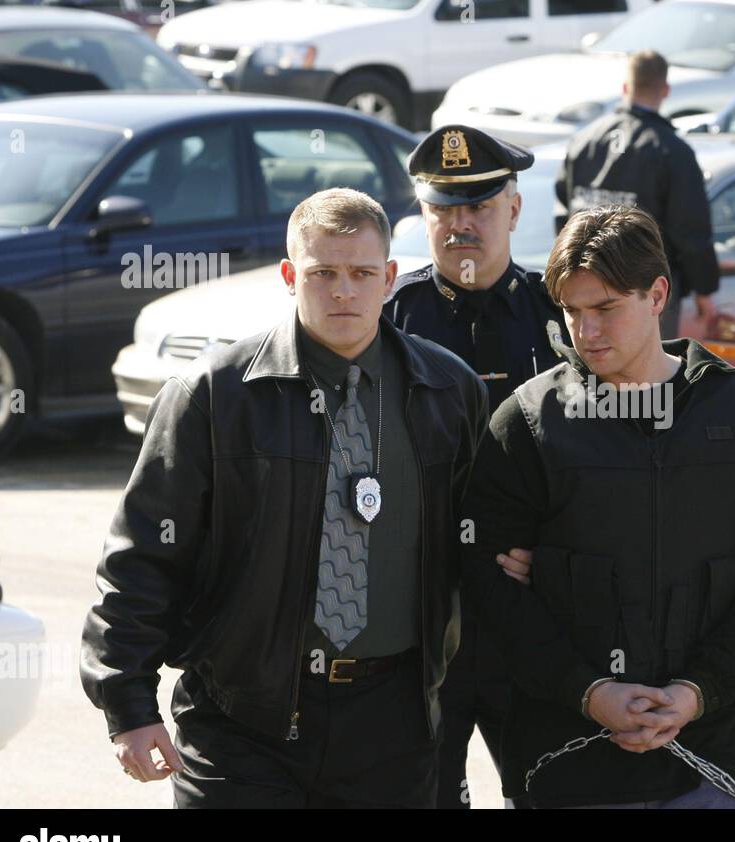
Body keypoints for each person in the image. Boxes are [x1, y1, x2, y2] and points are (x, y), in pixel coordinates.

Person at [80, 188, 487, 808]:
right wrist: (127, 701)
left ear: (390, 277)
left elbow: (485, 550)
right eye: (323, 273)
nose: (344, 291)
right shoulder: (213, 397)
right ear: (290, 276)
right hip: (241, 722)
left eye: (361, 274)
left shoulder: (448, 390)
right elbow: (140, 558)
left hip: (393, 725)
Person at [461, 205, 735, 808]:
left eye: (605, 308)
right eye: (571, 312)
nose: (585, 331)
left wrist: (698, 692)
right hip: (563, 763)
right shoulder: (527, 422)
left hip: (708, 761)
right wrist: (590, 692)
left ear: (657, 295)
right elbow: (490, 588)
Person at [384, 125, 568, 808]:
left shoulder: (561, 319)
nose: (460, 225)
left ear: (514, 211)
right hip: (425, 625)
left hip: (536, 620)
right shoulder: (388, 323)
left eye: (479, 208)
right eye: (444, 209)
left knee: (549, 792)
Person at [555, 49, 719, 340]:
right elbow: (691, 230)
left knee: (591, 377)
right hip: (642, 293)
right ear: (665, 90)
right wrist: (705, 290)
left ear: (625, 88)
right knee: (649, 380)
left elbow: (562, 216)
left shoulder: (583, 140)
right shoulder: (672, 151)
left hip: (584, 285)